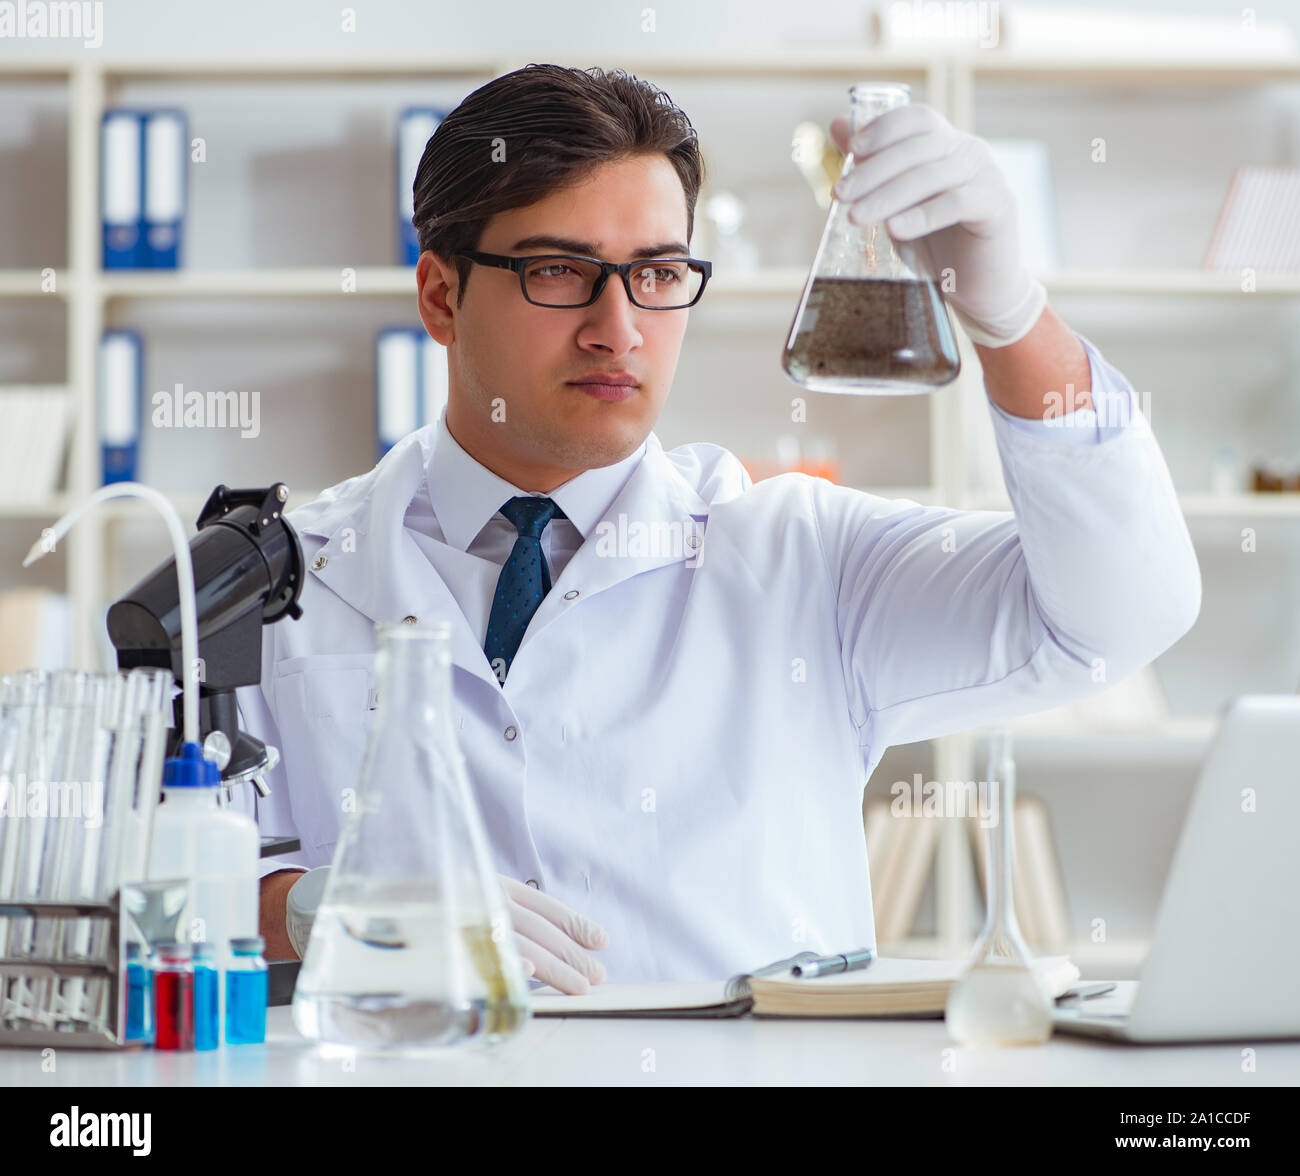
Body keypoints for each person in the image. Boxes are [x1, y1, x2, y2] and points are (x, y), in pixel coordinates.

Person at [235, 64, 1200, 995]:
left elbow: (1119, 615)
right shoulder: (275, 582)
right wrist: (323, 907)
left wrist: (1009, 313)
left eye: (657, 273)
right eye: (561, 271)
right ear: (442, 296)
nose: (618, 328)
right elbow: (150, 879)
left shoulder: (803, 559)